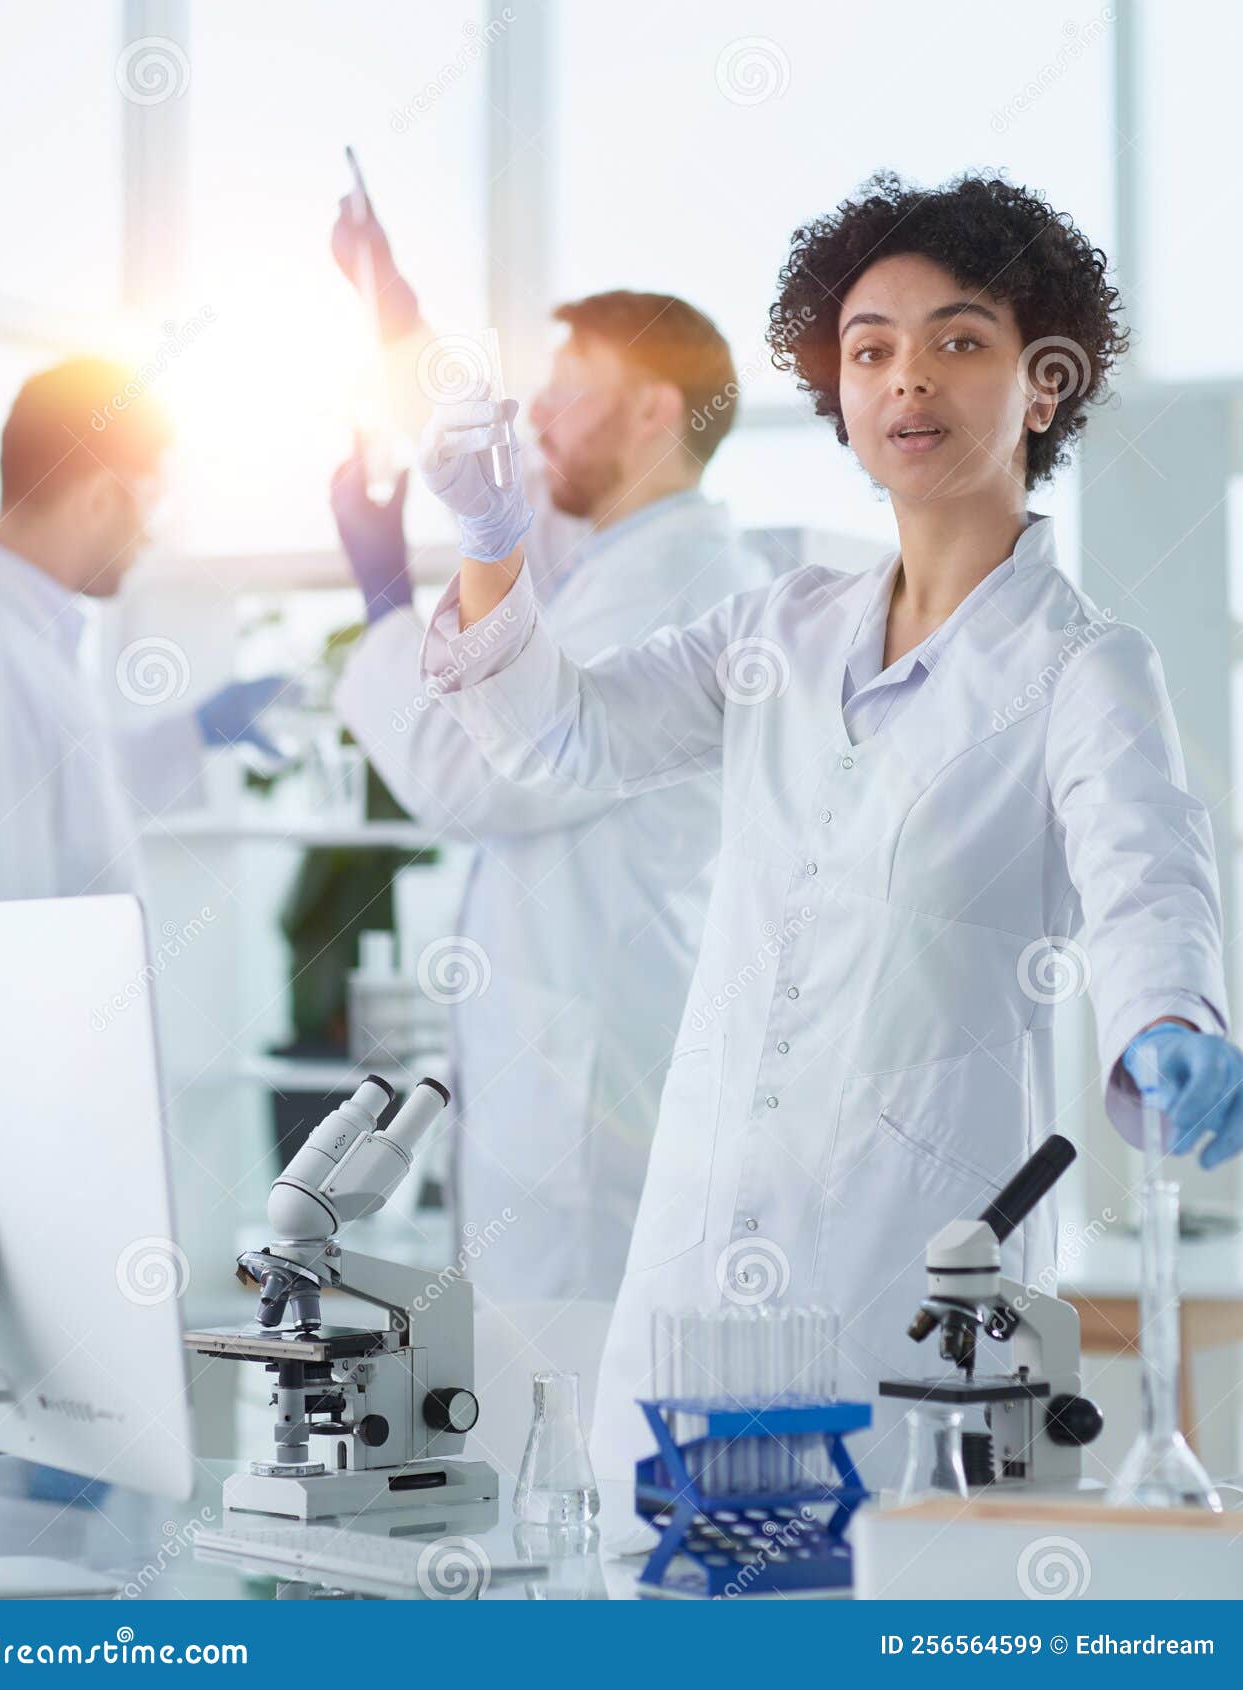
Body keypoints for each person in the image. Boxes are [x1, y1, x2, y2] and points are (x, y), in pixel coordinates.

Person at [410, 170, 1243, 1490]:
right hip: (693, 1274)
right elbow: (556, 732)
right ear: (836, 393)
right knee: (657, 1591)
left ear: (1042, 384)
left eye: (957, 340)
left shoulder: (1082, 668)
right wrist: (491, 538)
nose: (904, 377)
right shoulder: (772, 630)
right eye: (868, 349)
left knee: (881, 1597)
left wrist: (1166, 1026)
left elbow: (1146, 881)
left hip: (906, 1273)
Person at [328, 192, 772, 1301]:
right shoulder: (613, 545)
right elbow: (487, 463)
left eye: (573, 389)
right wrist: (394, 316)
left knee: (572, 1391)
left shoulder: (678, 585)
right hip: (557, 1043)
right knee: (537, 1377)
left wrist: (385, 598)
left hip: (593, 1072)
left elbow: (474, 778)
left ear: (653, 413)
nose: (540, 414)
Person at [0, 358, 285, 903]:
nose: (149, 536)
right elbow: (0, 916)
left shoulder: (25, 630)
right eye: (150, 499)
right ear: (98, 499)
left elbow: (74, 794)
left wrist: (195, 731)